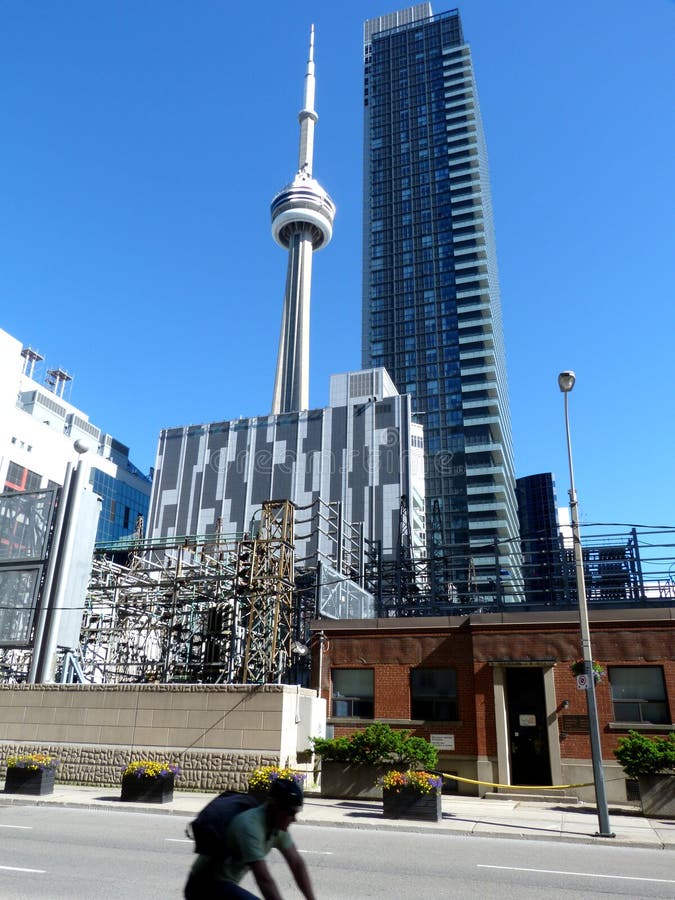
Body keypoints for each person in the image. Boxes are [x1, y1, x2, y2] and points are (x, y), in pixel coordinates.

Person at [184, 779, 318, 900]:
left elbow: (297, 864)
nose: (294, 819)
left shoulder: (277, 827)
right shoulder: (250, 826)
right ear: (274, 807)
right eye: (291, 813)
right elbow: (264, 880)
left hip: (224, 885)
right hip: (204, 886)